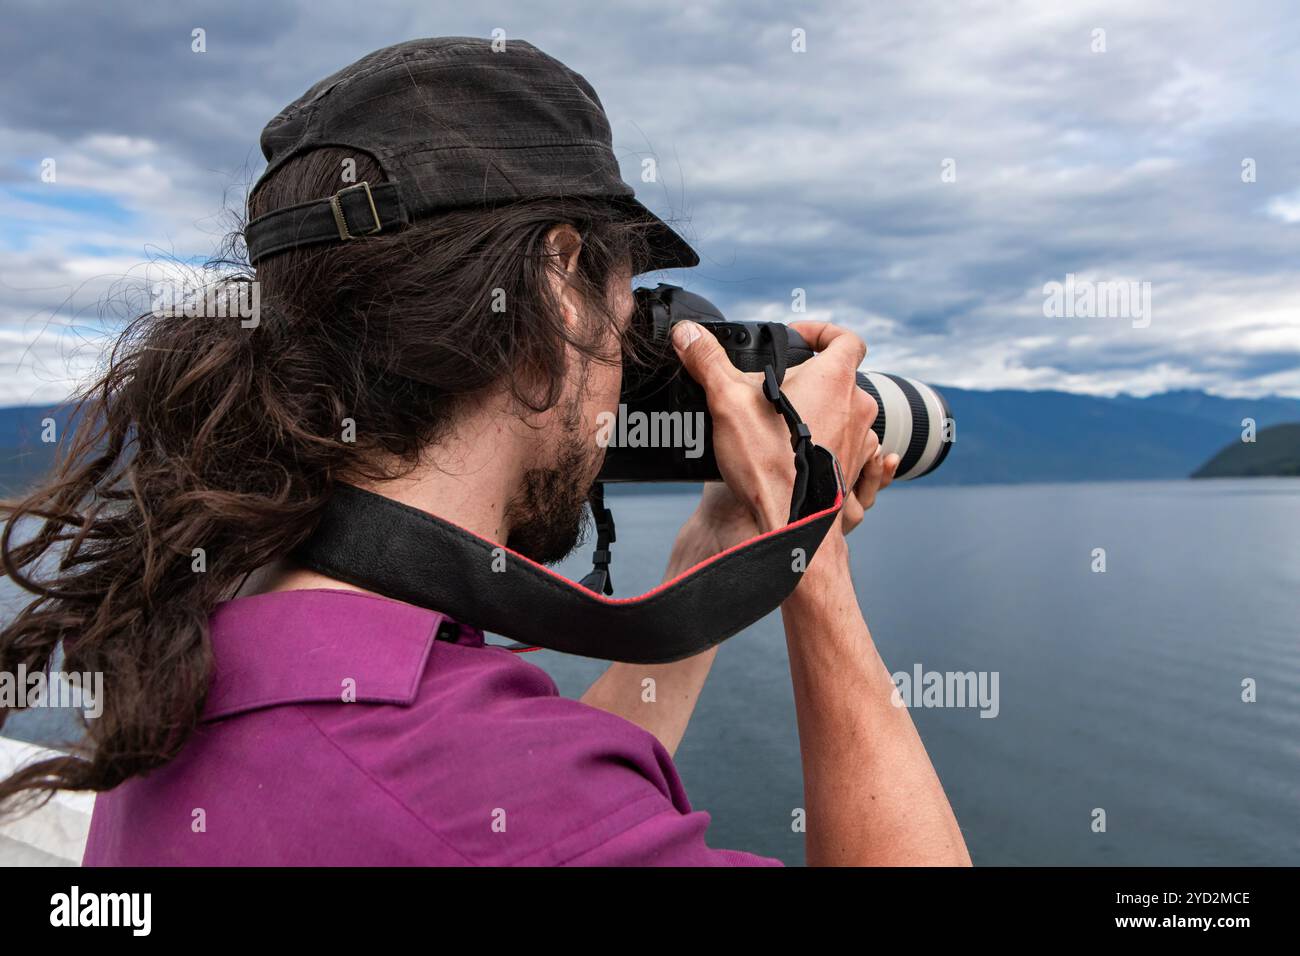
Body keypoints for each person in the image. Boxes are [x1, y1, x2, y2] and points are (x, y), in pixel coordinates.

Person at [0, 37, 970, 866]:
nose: (619, 383)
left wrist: (711, 558)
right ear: (555, 287)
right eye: (627, 316)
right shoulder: (481, 787)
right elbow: (509, 815)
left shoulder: (211, 646)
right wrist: (811, 545)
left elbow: (493, 807)